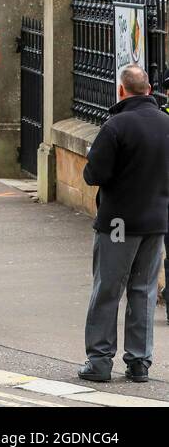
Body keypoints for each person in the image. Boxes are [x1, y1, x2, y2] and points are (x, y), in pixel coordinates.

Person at [78, 65, 169, 384]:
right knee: (143, 290)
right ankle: (139, 363)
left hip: (118, 223)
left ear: (121, 90)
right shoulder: (166, 124)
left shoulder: (116, 126)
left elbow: (94, 175)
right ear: (149, 90)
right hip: (156, 221)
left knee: (108, 288)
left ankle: (100, 361)